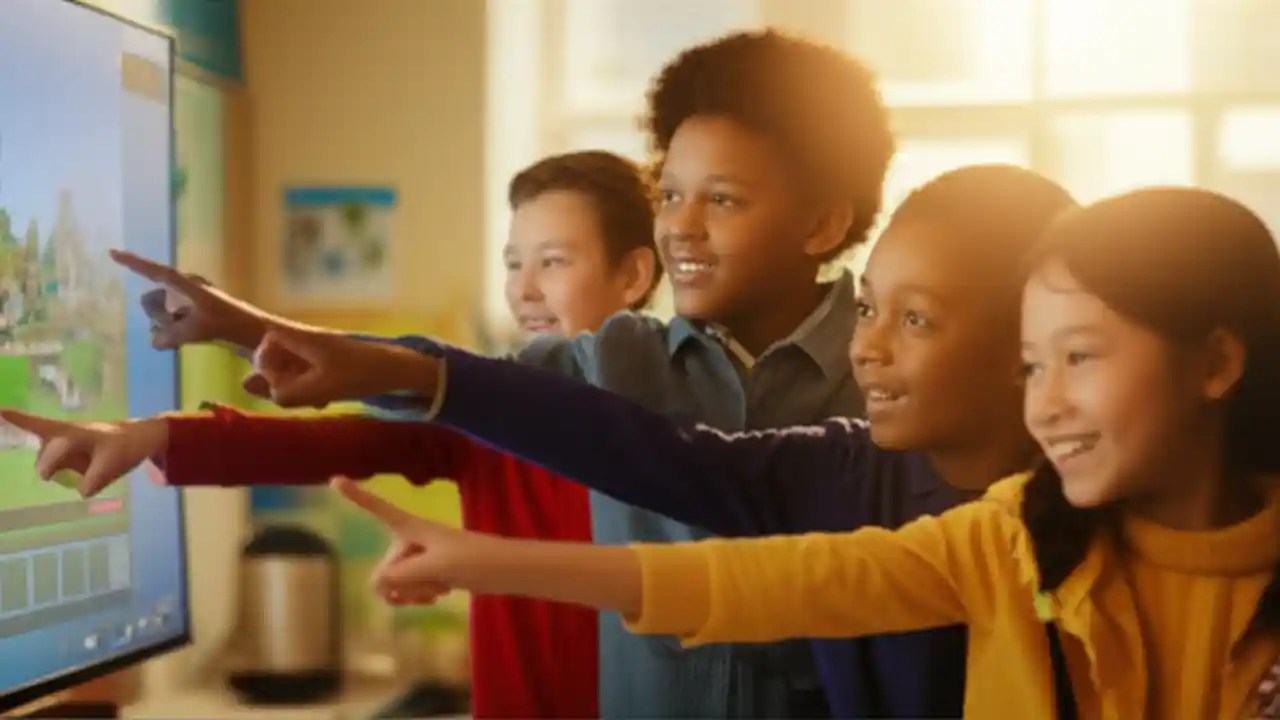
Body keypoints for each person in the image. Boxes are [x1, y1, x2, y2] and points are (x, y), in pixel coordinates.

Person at [3, 165, 1077, 718]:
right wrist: (157, 426)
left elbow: (753, 577)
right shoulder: (842, 464)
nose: (523, 287)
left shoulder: (1044, 523)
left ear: (632, 282)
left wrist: (489, 562)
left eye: (553, 261)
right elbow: (710, 535)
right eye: (513, 261)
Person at [103, 29, 894, 718]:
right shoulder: (613, 362)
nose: (683, 224)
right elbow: (447, 379)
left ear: (821, 222)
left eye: (722, 200)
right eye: (674, 193)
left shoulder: (889, 378)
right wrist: (241, 327)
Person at [260, 187, 1280, 718]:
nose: (1047, 402)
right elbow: (758, 576)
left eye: (1079, 359)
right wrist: (482, 561)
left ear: (1215, 362)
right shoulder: (1005, 540)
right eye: (1031, 364)